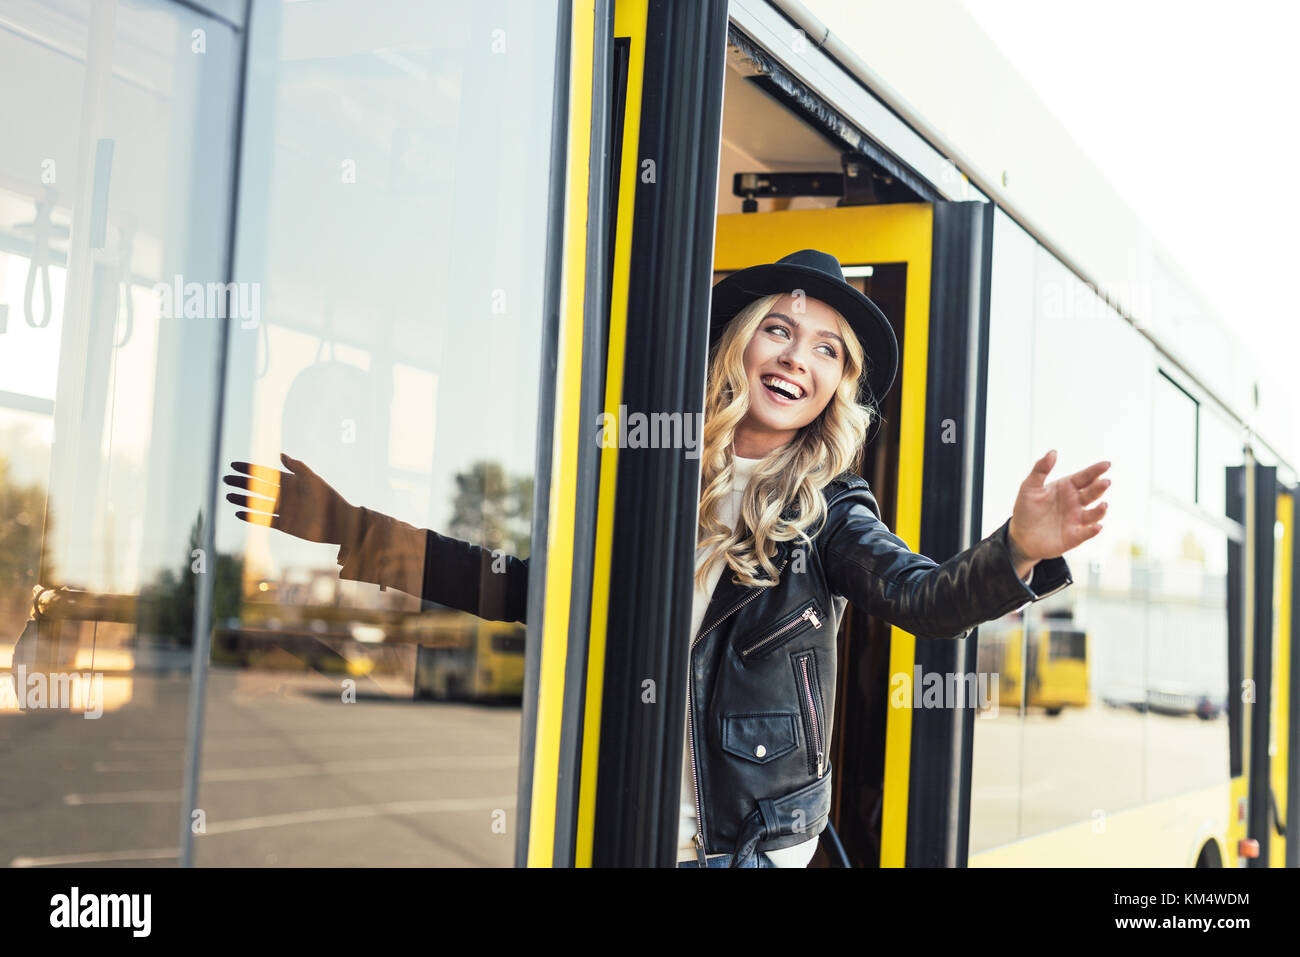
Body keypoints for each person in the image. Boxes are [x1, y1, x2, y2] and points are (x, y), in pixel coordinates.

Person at [222, 249, 1110, 868]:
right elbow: (530, 589)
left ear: (838, 387)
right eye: (780, 331)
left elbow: (924, 597)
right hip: (632, 827)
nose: (798, 358)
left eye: (827, 351)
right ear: (741, 342)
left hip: (748, 846)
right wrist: (353, 526)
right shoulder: (653, 482)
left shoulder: (830, 511)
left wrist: (1018, 549)